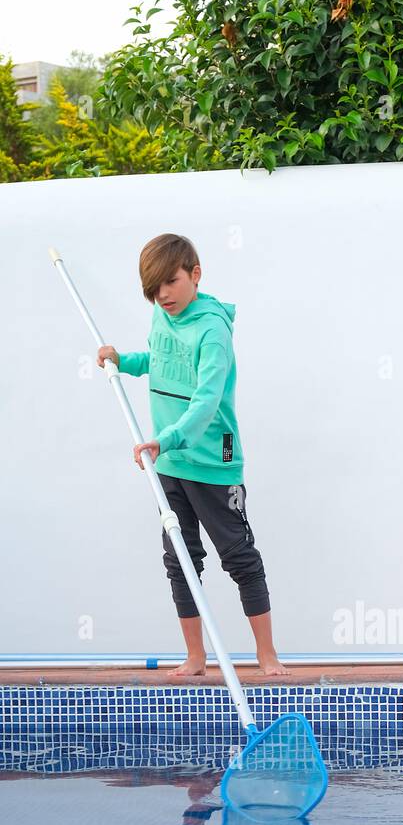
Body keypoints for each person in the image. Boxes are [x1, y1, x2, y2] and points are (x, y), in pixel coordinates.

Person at [97, 232, 286, 677]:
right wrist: (122, 360)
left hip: (212, 461)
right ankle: (197, 658)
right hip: (167, 461)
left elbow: (205, 401)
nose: (162, 295)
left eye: (170, 283)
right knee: (180, 558)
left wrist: (166, 439)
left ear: (194, 275)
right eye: (153, 289)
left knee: (238, 556)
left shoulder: (212, 329)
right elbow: (159, 363)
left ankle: (267, 655)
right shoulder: (163, 316)